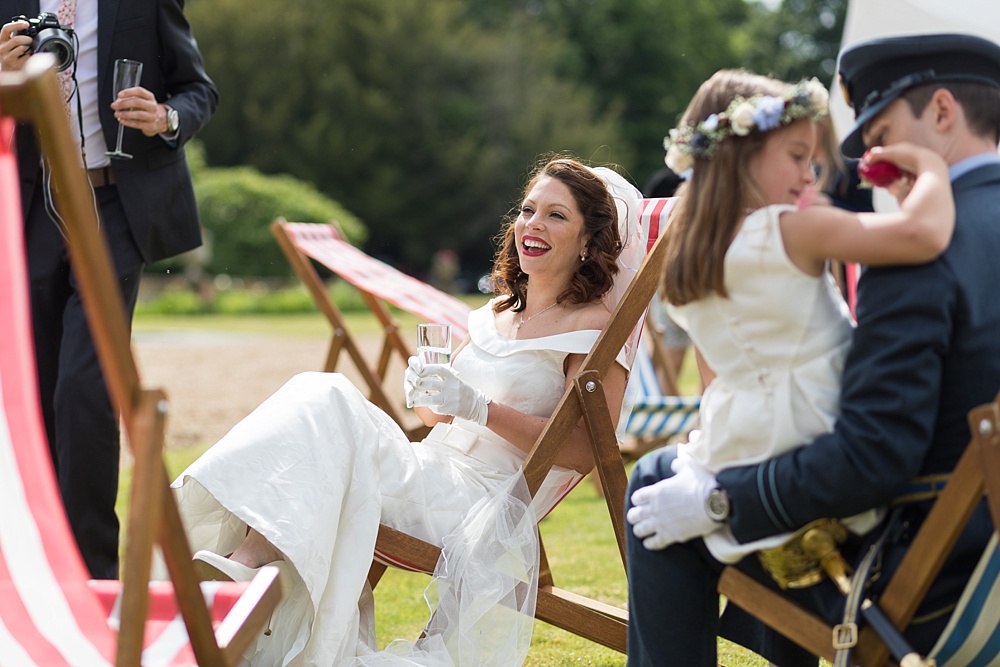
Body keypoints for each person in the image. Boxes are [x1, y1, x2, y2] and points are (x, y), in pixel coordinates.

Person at [170, 157, 645, 666]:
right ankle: (248, 568)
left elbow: (581, 451)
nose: (533, 224)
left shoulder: (594, 328)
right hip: (431, 467)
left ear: (589, 242)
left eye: (557, 216)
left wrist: (481, 408)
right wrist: (429, 392)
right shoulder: (497, 312)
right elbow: (440, 416)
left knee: (327, 397)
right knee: (320, 397)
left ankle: (245, 567)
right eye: (529, 209)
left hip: (477, 505)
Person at [624, 33, 1000, 667]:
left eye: (880, 138)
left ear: (941, 113)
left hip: (930, 582)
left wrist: (723, 502)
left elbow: (872, 456)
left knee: (657, 488)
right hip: (982, 569)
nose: (872, 161)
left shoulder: (922, 256)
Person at [0, 2, 218, 580]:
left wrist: (165, 117)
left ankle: (94, 576)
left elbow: (199, 90)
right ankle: (41, 566)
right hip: (28, 210)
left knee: (82, 384)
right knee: (38, 387)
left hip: (115, 205)